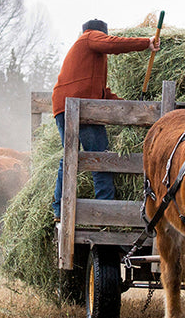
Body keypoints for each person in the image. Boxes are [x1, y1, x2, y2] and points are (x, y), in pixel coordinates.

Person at [51, 19, 160, 219]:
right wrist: (146, 42)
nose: (105, 40)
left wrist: (130, 106)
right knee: (100, 157)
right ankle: (106, 209)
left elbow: (101, 92)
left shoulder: (87, 58)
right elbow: (112, 43)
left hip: (65, 106)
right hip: (81, 110)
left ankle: (59, 208)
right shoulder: (89, 38)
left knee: (69, 156)